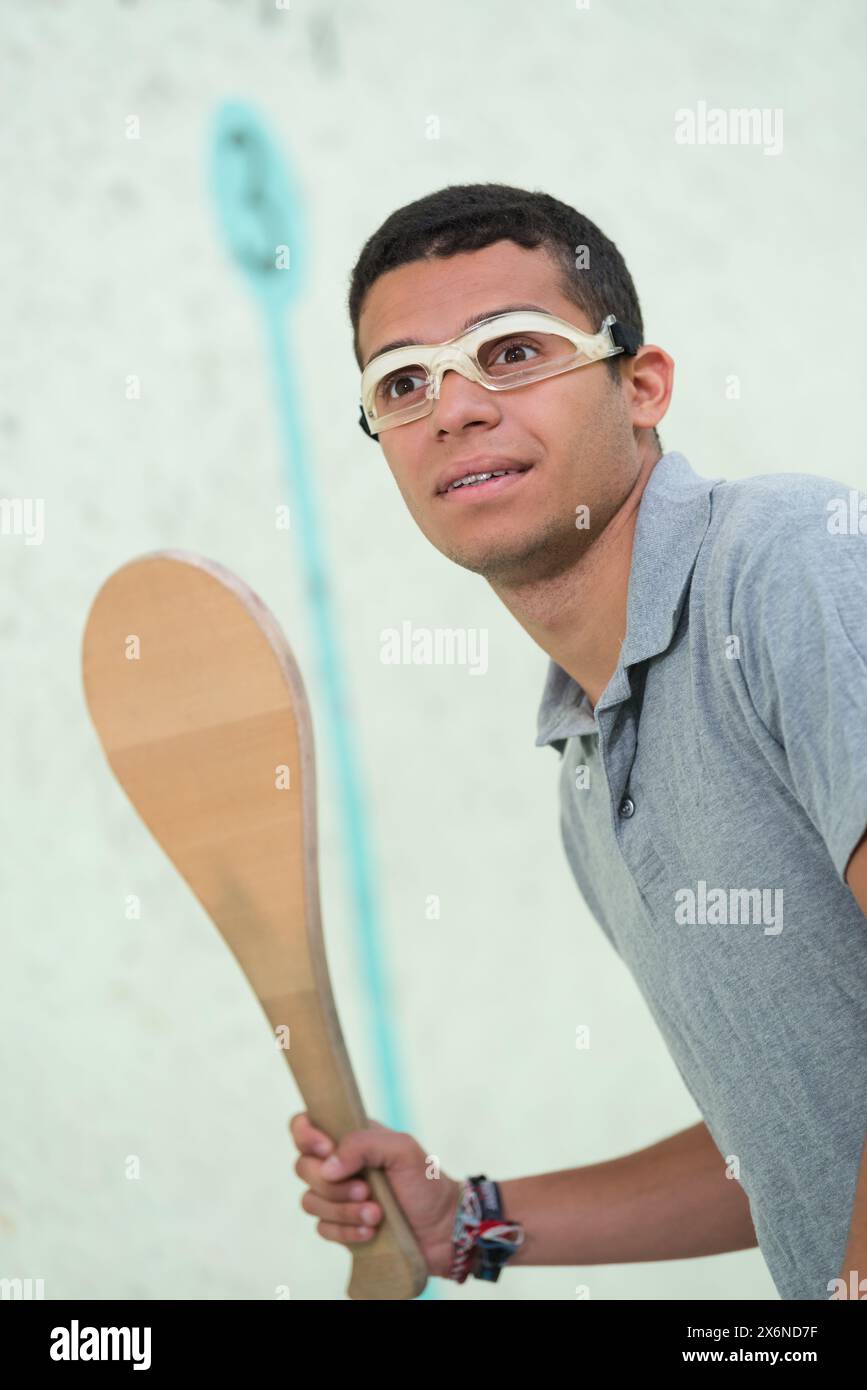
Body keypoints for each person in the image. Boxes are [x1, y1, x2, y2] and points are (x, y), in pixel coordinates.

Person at [290, 183, 867, 1298]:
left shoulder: (790, 563)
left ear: (642, 386)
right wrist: (465, 1223)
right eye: (402, 382)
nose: (453, 407)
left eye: (510, 352)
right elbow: (794, 1145)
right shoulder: (587, 771)